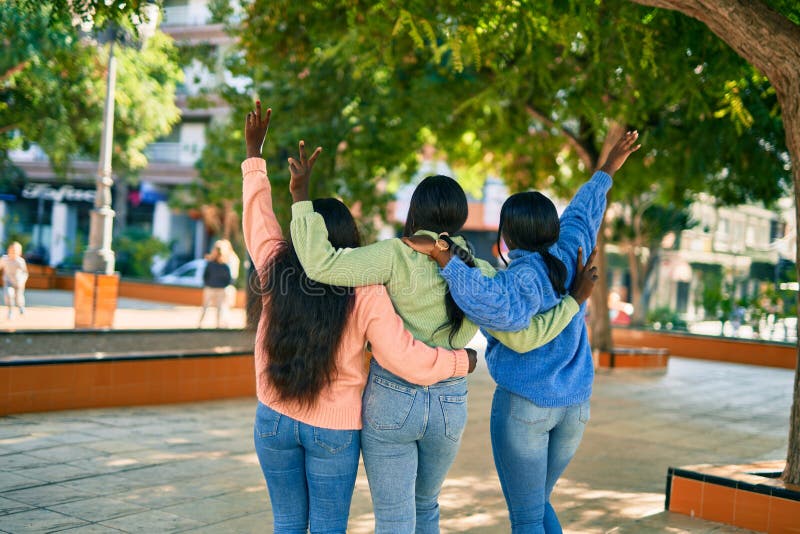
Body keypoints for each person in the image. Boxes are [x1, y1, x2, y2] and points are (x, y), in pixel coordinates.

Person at [289, 143, 599, 533]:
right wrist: (573, 302)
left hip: (392, 399)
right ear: (460, 217)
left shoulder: (393, 255)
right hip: (450, 404)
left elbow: (320, 265)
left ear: (413, 212)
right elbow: (522, 338)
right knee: (426, 507)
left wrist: (300, 196)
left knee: (395, 519)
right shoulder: (479, 271)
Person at [242, 101, 479, 533]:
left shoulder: (276, 266)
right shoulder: (365, 289)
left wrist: (254, 156)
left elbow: (258, 219)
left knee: (287, 524)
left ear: (304, 235)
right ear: (349, 238)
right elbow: (403, 356)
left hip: (273, 418)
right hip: (334, 430)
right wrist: (460, 362)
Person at [404, 130, 640, 533]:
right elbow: (584, 211)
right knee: (537, 507)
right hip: (574, 407)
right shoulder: (572, 247)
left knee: (527, 517)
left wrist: (447, 260)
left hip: (526, 407)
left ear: (508, 236)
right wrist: (606, 170)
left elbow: (496, 307)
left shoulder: (523, 276)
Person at [198, 243, 232, 328]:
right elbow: (205, 275)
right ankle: (200, 324)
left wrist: (223, 285)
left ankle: (218, 325)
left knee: (219, 308)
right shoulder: (210, 264)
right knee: (205, 307)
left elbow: (228, 279)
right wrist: (207, 284)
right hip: (210, 288)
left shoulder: (225, 266)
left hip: (220, 289)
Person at [0, 241, 28, 320]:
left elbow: (25, 273)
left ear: (19, 252)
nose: (13, 252)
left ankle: (21, 307)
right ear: (8, 250)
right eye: (11, 250)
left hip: (18, 282)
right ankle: (10, 311)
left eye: (15, 251)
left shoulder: (20, 261)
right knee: (8, 295)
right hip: (8, 281)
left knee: (18, 298)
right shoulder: (4, 259)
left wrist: (22, 281)